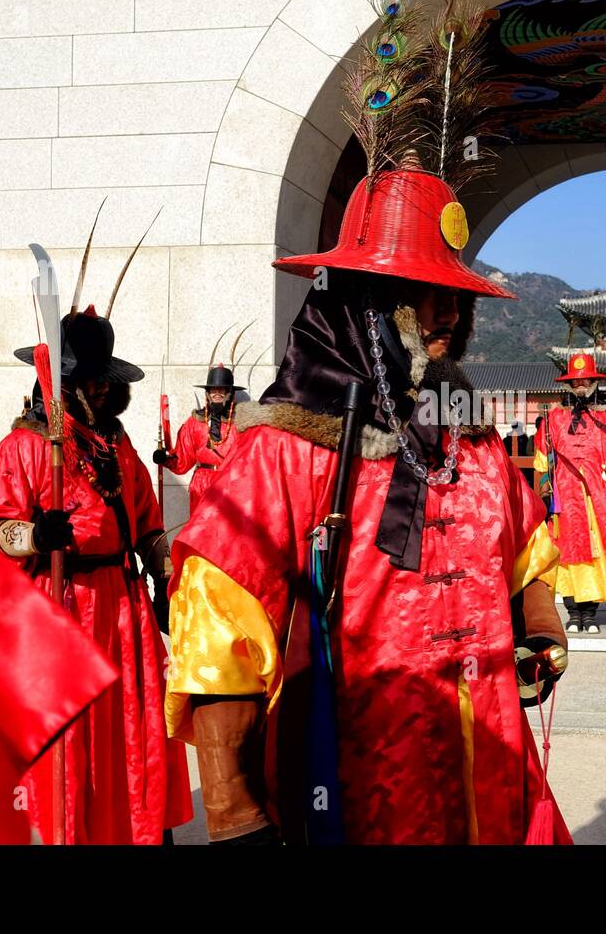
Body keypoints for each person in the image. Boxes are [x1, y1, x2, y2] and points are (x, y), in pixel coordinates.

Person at [164, 151, 571, 842]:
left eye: (456, 296)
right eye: (424, 294)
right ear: (363, 302)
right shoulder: (283, 450)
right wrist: (231, 810)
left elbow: (528, 554)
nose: (449, 314)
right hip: (358, 781)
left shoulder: (471, 441)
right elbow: (219, 632)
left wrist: (539, 626)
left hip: (490, 763)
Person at [0, 242, 193, 845]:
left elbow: (146, 522)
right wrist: (32, 536)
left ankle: (135, 832)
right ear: (79, 384)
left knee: (130, 732)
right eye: (99, 383)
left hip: (123, 608)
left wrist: (167, 574)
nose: (109, 393)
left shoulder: (116, 444)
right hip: (62, 605)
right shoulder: (26, 447)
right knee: (73, 740)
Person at [536, 352, 606, 635]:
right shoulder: (554, 419)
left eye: (586, 379)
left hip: (597, 497)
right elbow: (543, 460)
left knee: (595, 554)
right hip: (565, 499)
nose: (581, 384)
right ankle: (572, 612)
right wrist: (545, 484)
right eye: (576, 380)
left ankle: (591, 614)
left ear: (595, 381)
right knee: (568, 552)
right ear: (569, 384)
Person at [154, 360, 243, 515]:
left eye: (221, 389)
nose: (216, 393)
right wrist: (165, 459)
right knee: (199, 536)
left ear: (230, 393)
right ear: (207, 393)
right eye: (213, 389)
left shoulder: (242, 424)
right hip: (202, 485)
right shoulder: (195, 422)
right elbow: (182, 462)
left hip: (231, 485)